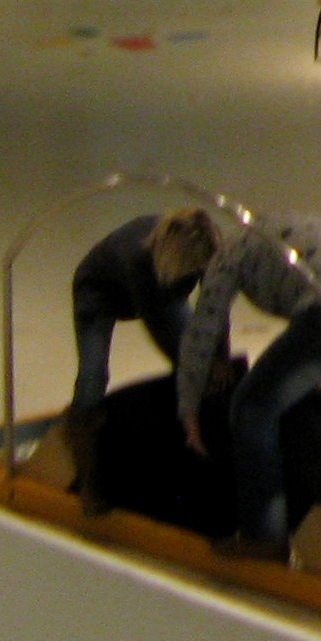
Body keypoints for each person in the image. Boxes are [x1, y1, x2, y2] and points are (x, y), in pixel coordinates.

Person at [175, 211, 321, 562]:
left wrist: (189, 409)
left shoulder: (225, 258)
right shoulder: (271, 228)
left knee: (253, 407)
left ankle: (262, 539)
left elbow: (202, 331)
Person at [61, 208, 217, 511]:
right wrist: (192, 373)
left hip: (160, 288)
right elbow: (159, 324)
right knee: (93, 376)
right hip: (98, 293)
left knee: (200, 358)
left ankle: (193, 451)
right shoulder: (138, 256)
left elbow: (214, 306)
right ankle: (88, 475)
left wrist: (217, 356)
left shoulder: (205, 249)